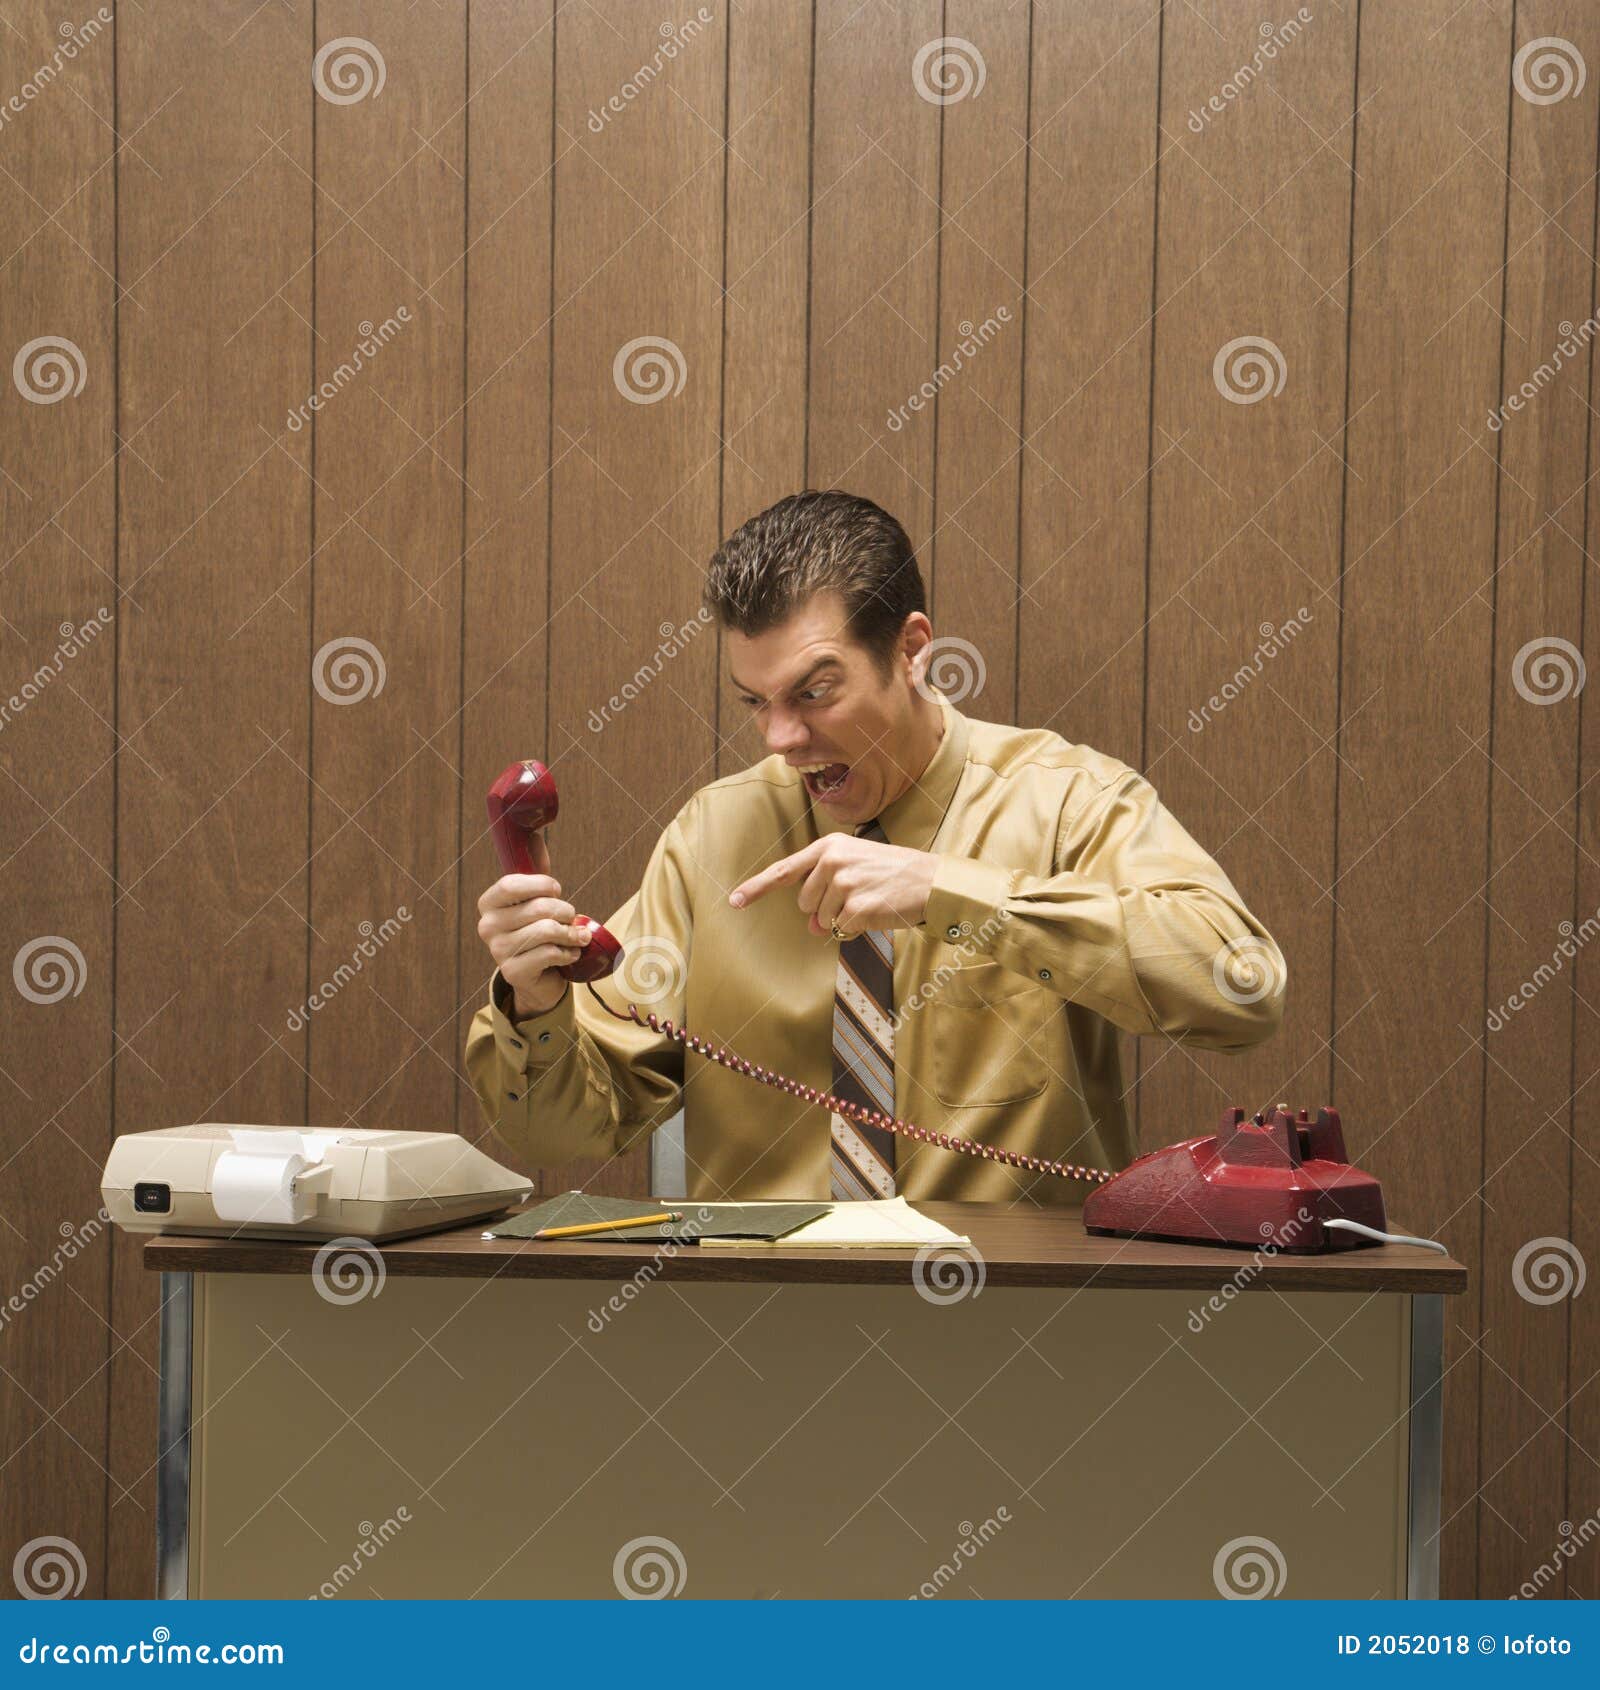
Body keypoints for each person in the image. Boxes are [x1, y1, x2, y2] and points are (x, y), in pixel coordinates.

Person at [466, 489, 1285, 1204]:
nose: (782, 737)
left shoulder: (1069, 800)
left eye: (814, 692)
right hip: (766, 1328)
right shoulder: (715, 838)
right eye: (755, 701)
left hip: (1015, 1316)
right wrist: (538, 1005)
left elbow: (1242, 991)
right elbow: (554, 1135)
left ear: (913, 648)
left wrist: (951, 894)